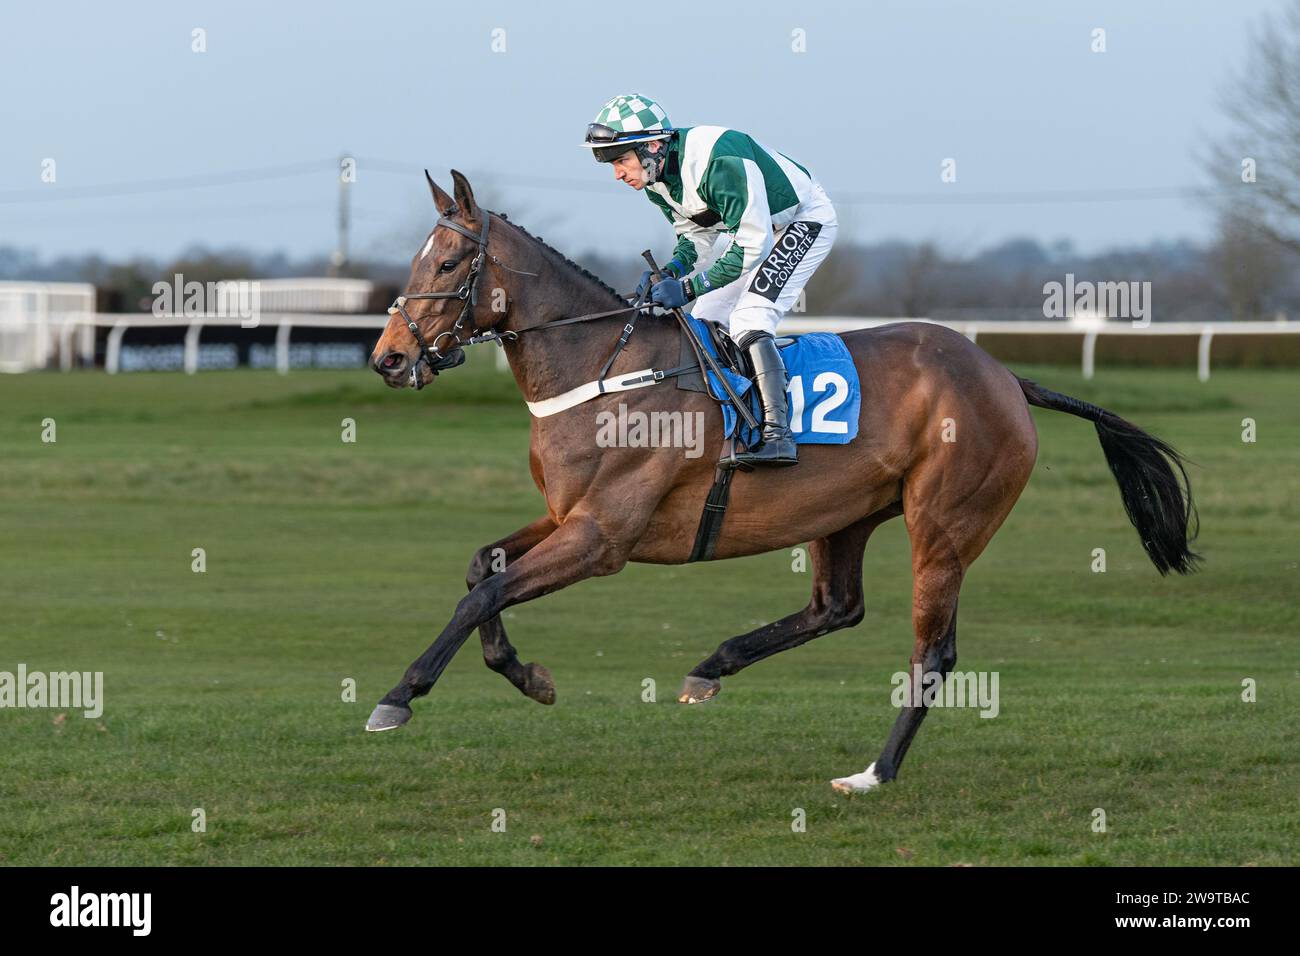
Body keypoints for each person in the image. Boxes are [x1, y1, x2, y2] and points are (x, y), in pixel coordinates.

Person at [580, 93, 838, 467]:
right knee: (707, 317)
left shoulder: (718, 160)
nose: (618, 174)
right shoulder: (657, 179)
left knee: (750, 316)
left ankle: (778, 435)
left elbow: (753, 245)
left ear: (652, 146)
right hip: (757, 232)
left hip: (802, 221)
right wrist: (670, 272)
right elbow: (698, 238)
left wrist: (686, 288)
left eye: (621, 160)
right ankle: (727, 420)